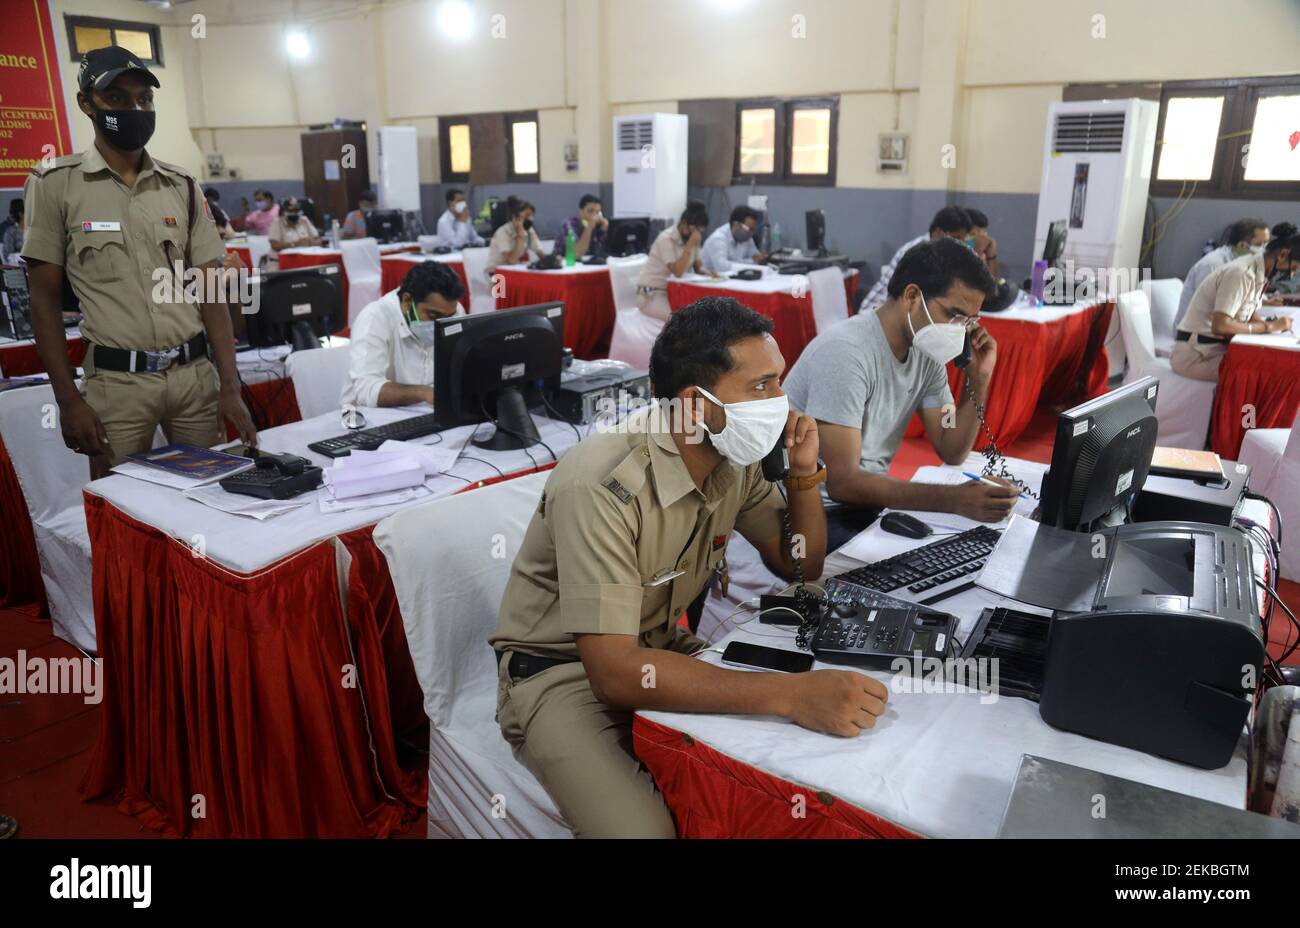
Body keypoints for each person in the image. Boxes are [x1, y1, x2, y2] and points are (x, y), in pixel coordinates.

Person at [490, 296, 887, 837]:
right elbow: (613, 673)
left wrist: (801, 474)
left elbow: (799, 563)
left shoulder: (730, 456)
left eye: (779, 382)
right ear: (694, 406)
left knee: (773, 768)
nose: (783, 403)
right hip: (561, 672)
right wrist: (791, 696)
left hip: (654, 646)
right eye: (761, 387)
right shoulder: (603, 485)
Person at [21, 46, 256, 478]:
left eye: (144, 99)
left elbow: (211, 294)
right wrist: (68, 399)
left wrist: (229, 383)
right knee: (124, 515)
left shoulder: (181, 185)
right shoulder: (54, 184)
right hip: (117, 387)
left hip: (193, 380)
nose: (135, 108)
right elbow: (43, 301)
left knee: (211, 504)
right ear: (86, 103)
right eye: (117, 99)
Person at [783, 238, 1015, 551]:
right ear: (911, 297)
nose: (961, 330)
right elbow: (843, 482)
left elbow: (952, 448)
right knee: (912, 568)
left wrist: (979, 379)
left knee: (966, 550)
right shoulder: (846, 353)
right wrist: (954, 499)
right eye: (955, 316)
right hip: (806, 513)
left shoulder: (926, 352)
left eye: (969, 322)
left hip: (863, 504)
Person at [1171, 228, 1297, 383]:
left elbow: (1250, 317)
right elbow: (1221, 326)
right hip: (1197, 356)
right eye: (1293, 269)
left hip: (1218, 350)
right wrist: (1269, 327)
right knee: (1267, 378)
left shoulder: (1260, 273)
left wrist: (1274, 326)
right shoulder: (1241, 273)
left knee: (1281, 367)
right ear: (1283, 255)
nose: (1292, 276)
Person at [342, 260, 465, 408]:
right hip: (369, 417)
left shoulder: (453, 310)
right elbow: (365, 390)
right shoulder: (375, 318)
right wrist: (424, 393)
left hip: (424, 411)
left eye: (449, 317)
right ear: (407, 301)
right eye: (433, 316)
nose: (442, 324)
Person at [861, 205, 974, 313]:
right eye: (956, 238)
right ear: (939, 232)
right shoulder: (916, 252)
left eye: (963, 240)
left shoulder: (942, 253)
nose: (960, 244)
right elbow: (901, 300)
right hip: (878, 311)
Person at [1174, 218, 1271, 330]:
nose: (1266, 250)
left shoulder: (1245, 265)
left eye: (1267, 244)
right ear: (1242, 245)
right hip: (1195, 334)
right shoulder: (1212, 265)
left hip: (1217, 329)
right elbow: (1216, 305)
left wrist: (1264, 301)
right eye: (1261, 245)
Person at [635, 200, 709, 322]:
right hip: (652, 295)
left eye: (701, 230)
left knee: (700, 315)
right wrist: (690, 245)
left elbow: (698, 266)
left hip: (674, 292)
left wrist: (708, 273)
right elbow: (677, 271)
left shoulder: (691, 238)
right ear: (684, 223)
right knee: (681, 322)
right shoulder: (666, 238)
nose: (698, 233)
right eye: (696, 229)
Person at [700, 205, 768, 275]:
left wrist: (761, 259)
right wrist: (751, 261)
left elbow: (755, 256)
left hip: (732, 279)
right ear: (736, 225)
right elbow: (722, 267)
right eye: (749, 229)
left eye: (753, 229)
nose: (751, 233)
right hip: (708, 281)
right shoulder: (718, 238)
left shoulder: (747, 237)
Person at [485, 197, 543, 275]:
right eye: (527, 215)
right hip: (497, 275)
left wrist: (550, 260)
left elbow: (540, 253)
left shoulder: (529, 230)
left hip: (516, 273)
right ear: (515, 218)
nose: (531, 219)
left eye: (532, 215)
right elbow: (512, 260)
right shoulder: (503, 232)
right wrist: (520, 236)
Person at [557, 193, 609, 260]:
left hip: (587, 266)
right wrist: (589, 227)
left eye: (597, 212)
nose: (594, 215)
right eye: (590, 211)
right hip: (564, 266)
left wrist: (603, 231)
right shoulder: (568, 225)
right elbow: (577, 254)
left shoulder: (597, 226)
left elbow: (599, 254)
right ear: (580, 211)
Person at [964, 207, 998, 276]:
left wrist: (991, 255)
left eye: (984, 232)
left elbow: (992, 283)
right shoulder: (957, 254)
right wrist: (977, 252)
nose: (981, 239)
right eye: (973, 234)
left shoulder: (984, 254)